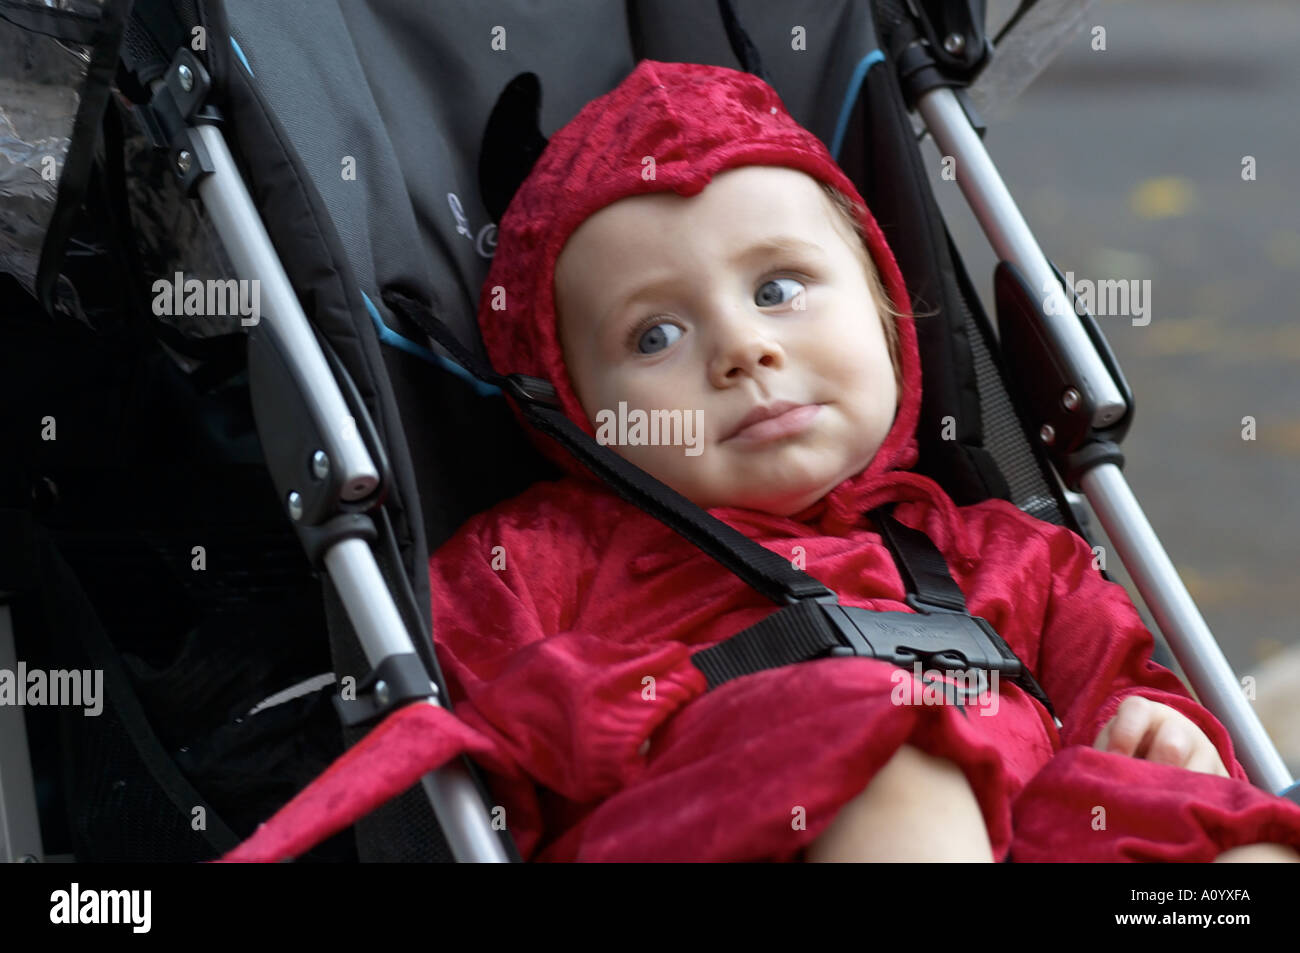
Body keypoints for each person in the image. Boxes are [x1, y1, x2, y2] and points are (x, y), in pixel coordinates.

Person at [221, 59, 1300, 864]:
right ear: (574, 411)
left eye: (779, 287)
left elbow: (1116, 692)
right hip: (729, 823)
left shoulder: (1012, 558)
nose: (743, 348)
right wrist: (659, 703)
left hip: (1020, 823)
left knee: (1222, 834)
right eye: (654, 335)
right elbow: (474, 716)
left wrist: (1156, 729)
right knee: (889, 739)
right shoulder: (538, 556)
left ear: (887, 312)